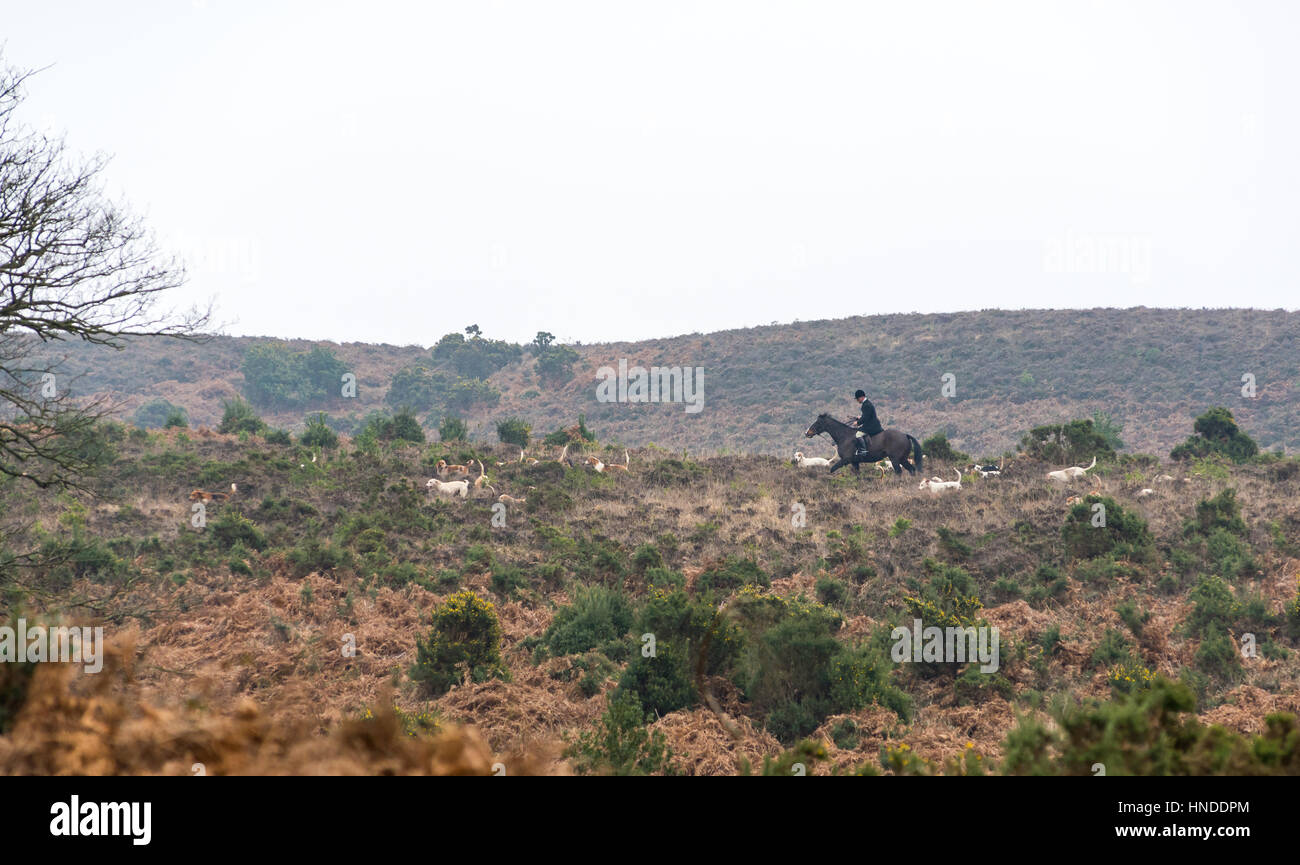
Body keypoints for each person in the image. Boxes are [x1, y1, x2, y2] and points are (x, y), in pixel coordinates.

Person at [850, 389, 883, 456]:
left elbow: (865, 418)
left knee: (858, 435)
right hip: (872, 423)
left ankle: (863, 451)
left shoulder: (866, 405)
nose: (857, 400)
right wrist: (860, 417)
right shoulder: (867, 403)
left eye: (857, 399)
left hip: (871, 426)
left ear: (862, 397)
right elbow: (867, 415)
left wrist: (857, 423)